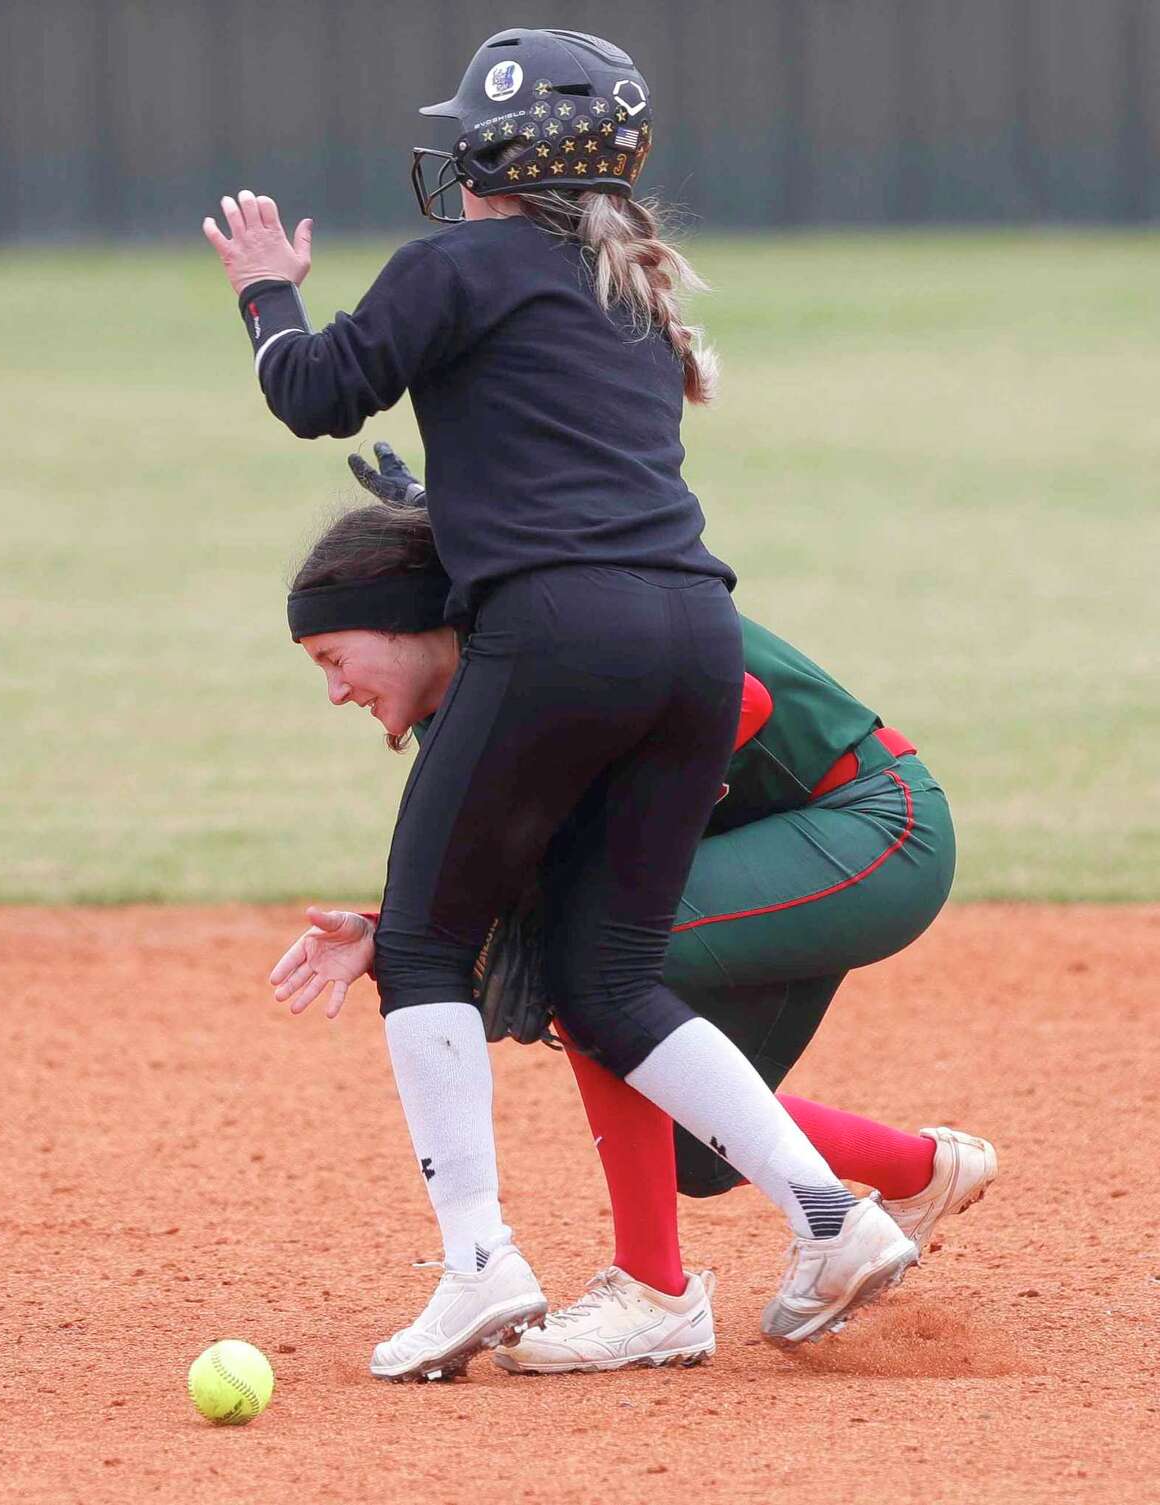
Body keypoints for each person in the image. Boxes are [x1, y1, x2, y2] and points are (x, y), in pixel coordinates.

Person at [206, 27, 918, 1383]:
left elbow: (314, 395)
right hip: (697, 640)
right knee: (607, 977)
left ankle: (481, 1261)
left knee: (421, 946)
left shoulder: (453, 264)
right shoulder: (633, 295)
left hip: (557, 632)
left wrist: (266, 293)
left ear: (487, 157)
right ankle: (831, 1215)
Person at [273, 448, 998, 1374]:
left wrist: (585, 867)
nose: (335, 690)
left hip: (871, 822)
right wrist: (388, 931)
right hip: (782, 840)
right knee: (698, 1140)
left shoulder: (548, 634)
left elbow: (736, 700)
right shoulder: (473, 700)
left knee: (594, 966)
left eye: (335, 657)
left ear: (405, 618)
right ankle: (915, 1171)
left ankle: (654, 1291)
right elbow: (481, 867)